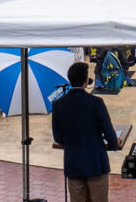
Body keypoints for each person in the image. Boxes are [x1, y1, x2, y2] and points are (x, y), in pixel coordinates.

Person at [49, 62, 120, 202]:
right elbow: (110, 135)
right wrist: (114, 144)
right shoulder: (96, 103)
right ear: (86, 80)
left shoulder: (58, 105)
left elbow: (58, 137)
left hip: (73, 165)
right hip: (96, 166)